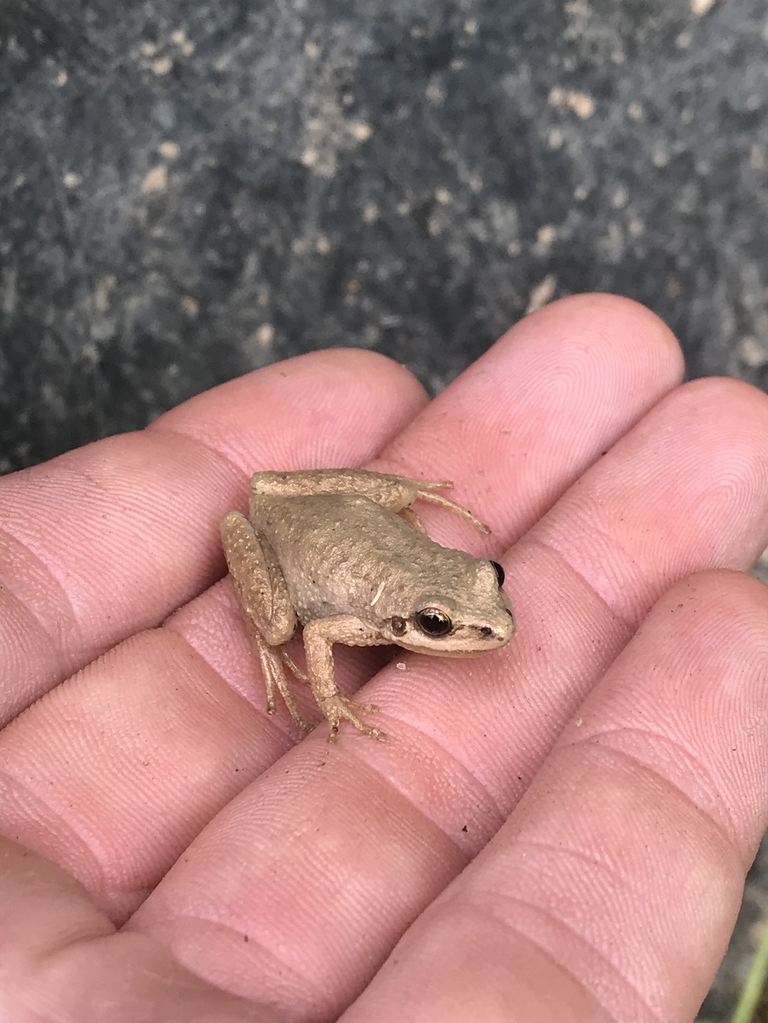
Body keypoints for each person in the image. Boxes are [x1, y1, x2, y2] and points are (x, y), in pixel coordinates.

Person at [1, 294, 766, 1023]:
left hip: (346, 523)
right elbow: (323, 631)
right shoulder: (371, 621)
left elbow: (444, 584)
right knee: (278, 626)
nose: (490, 626)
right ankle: (289, 631)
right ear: (411, 621)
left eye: (487, 585)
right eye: (441, 626)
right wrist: (330, 701)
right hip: (306, 550)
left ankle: (401, 524)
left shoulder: (457, 586)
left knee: (372, 516)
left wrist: (423, 546)